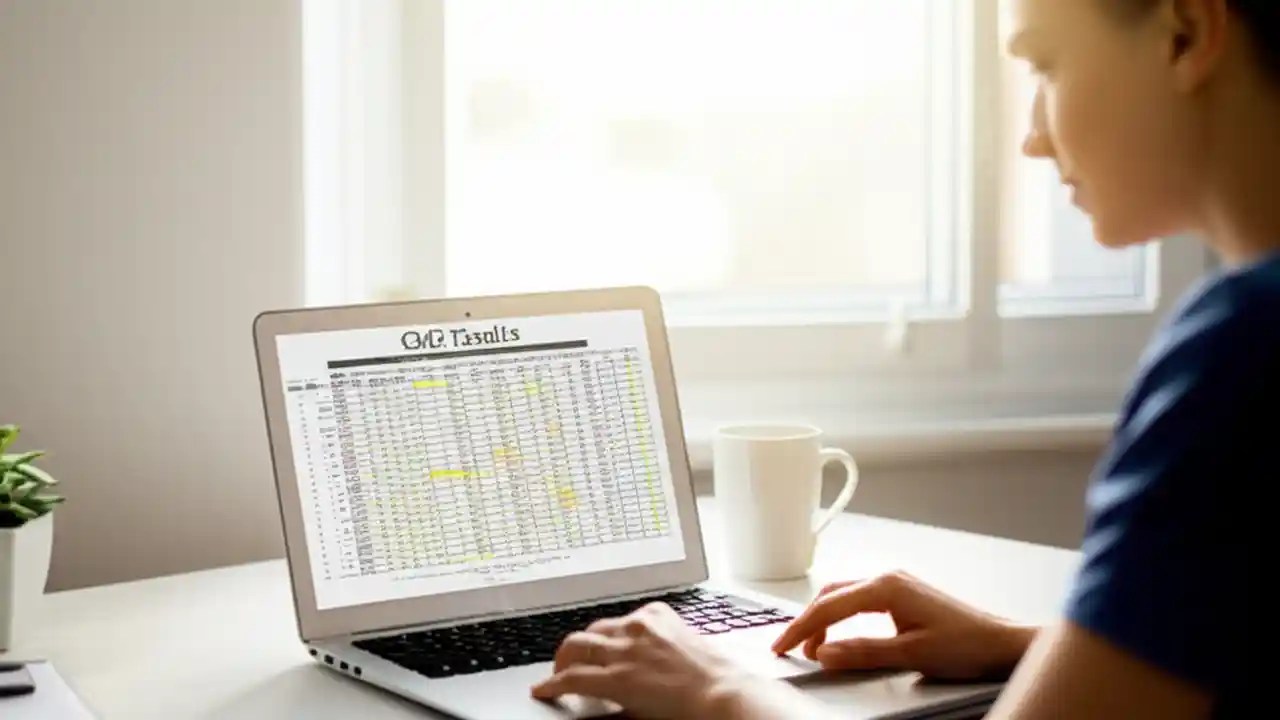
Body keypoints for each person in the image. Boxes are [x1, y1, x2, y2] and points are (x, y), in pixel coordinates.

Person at [530, 0, 1277, 717]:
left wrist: (716, 687)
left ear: (1185, 33)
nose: (1031, 138)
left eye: (1046, 65)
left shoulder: (1241, 352)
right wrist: (1034, 646)